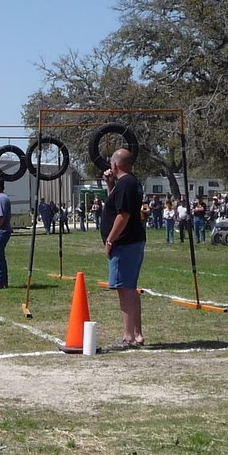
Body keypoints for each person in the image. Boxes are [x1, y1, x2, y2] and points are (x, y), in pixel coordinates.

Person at [100, 148, 146, 350]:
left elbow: (123, 215)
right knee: (130, 288)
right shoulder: (128, 183)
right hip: (132, 241)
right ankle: (136, 334)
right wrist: (110, 185)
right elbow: (116, 204)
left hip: (124, 243)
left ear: (115, 165)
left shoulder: (126, 183)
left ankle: (128, 337)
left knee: (124, 289)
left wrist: (110, 240)